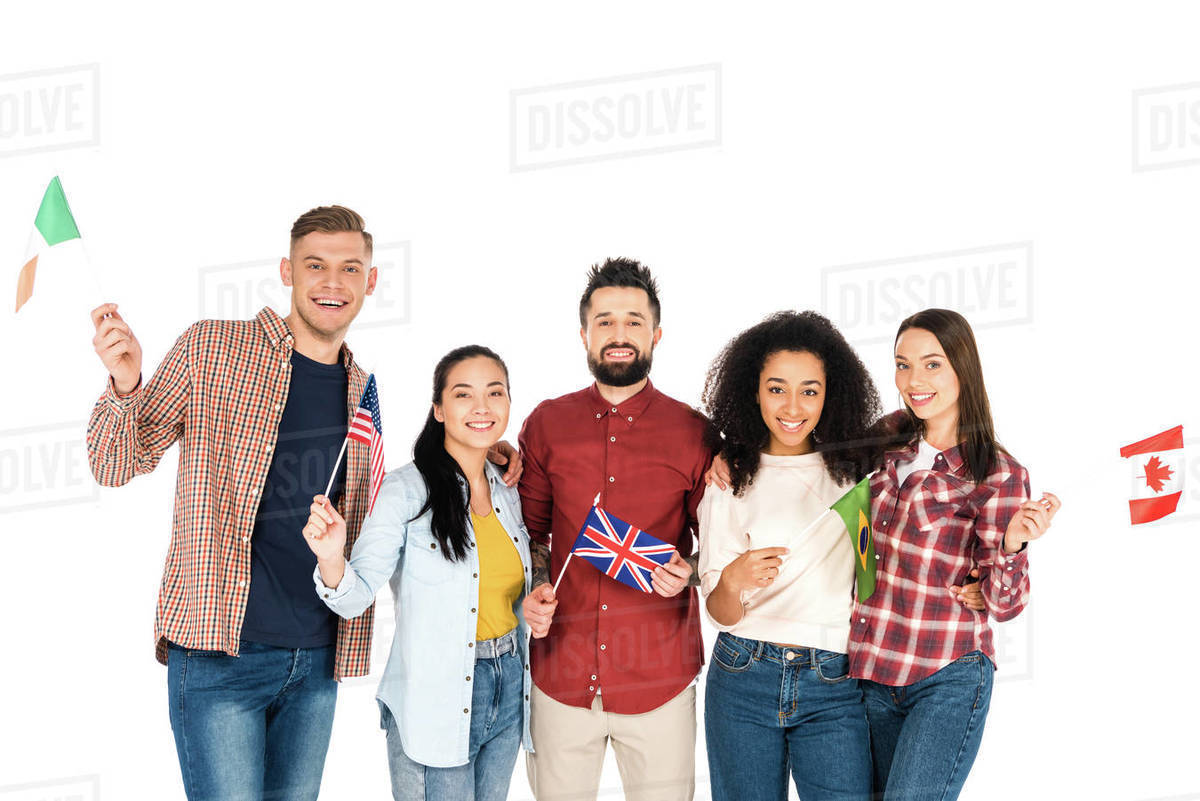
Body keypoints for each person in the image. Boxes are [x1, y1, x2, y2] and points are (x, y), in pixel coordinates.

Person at [85, 206, 521, 801]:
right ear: (287, 271)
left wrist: (482, 450)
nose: (332, 282)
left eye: (350, 268)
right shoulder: (212, 349)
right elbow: (114, 465)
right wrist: (126, 384)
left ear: (371, 281)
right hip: (220, 655)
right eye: (316, 265)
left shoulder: (360, 389)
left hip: (316, 660)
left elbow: (394, 503)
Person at [304, 345, 533, 801]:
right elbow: (355, 597)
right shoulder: (405, 490)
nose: (482, 407)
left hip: (510, 684)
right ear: (439, 409)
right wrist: (330, 557)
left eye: (495, 393)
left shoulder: (508, 489)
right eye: (464, 394)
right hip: (435, 697)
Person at [518, 257, 710, 801]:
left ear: (656, 334)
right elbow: (530, 536)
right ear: (584, 333)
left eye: (633, 321)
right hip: (561, 672)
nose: (618, 334)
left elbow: (721, 544)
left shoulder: (694, 432)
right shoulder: (547, 424)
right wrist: (536, 588)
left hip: (659, 678)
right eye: (604, 321)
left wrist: (690, 571)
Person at [849, 308, 1059, 800]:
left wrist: (1011, 544)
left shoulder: (999, 473)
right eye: (902, 365)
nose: (914, 381)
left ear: (963, 368)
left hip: (944, 675)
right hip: (868, 671)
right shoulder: (887, 442)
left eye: (932, 364)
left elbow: (1005, 606)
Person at [697, 311, 880, 801]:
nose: (793, 406)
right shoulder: (729, 480)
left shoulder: (855, 476)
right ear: (753, 391)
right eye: (776, 389)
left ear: (830, 395)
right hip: (742, 674)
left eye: (810, 391)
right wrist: (732, 581)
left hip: (834, 680)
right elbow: (719, 614)